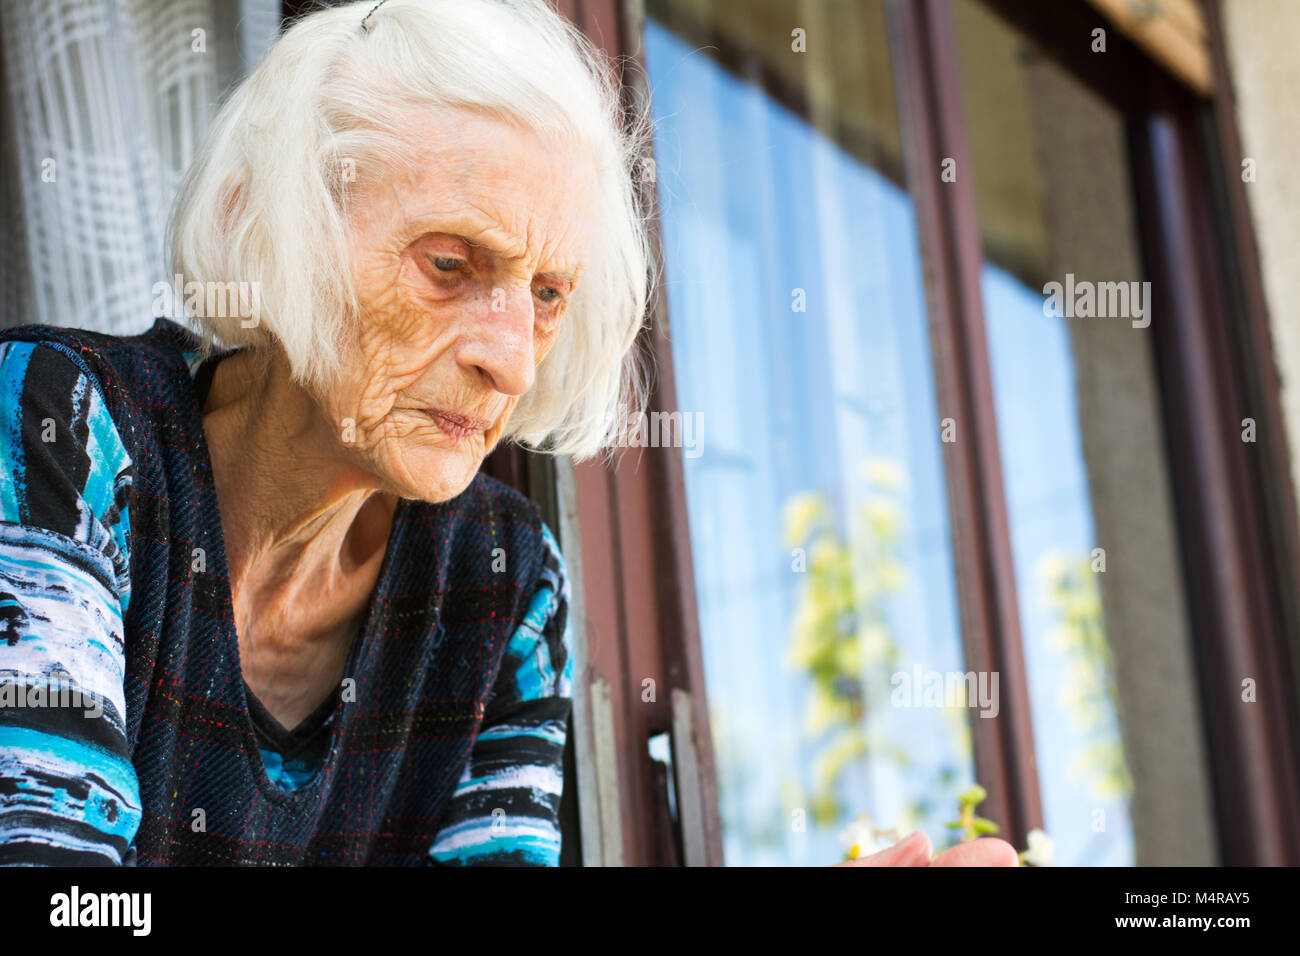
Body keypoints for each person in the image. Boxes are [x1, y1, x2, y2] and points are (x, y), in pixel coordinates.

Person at [0, 0, 1015, 867]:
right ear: (278, 229)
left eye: (546, 293)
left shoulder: (504, 576)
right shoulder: (63, 425)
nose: (513, 358)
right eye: (448, 264)